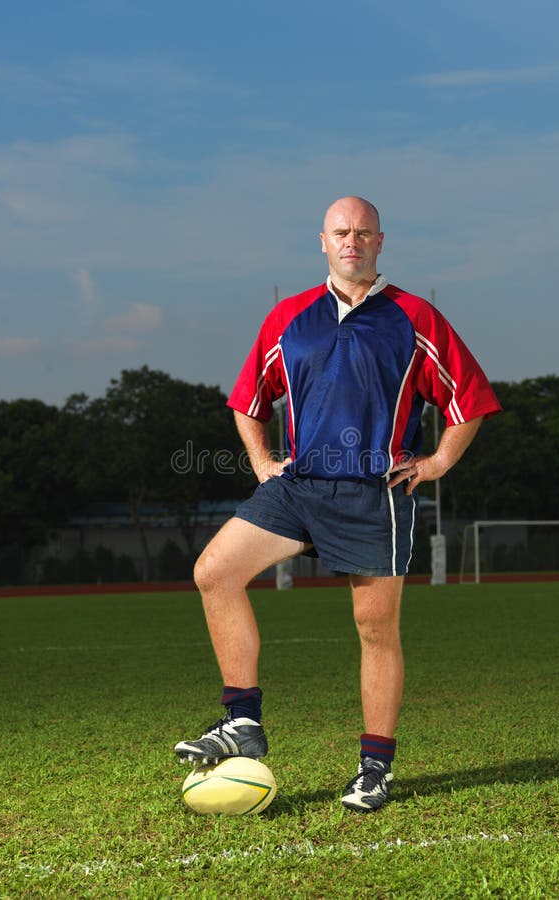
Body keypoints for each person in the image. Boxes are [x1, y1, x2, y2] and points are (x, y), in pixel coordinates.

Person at [175, 196, 501, 811]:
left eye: (363, 233)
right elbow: (248, 400)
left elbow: (470, 398)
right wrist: (263, 464)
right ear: (322, 241)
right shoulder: (288, 317)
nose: (352, 241)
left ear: (381, 242)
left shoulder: (415, 318)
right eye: (340, 232)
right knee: (214, 571)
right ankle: (242, 719)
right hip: (298, 487)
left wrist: (436, 463)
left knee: (375, 629)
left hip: (376, 494)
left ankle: (374, 767)